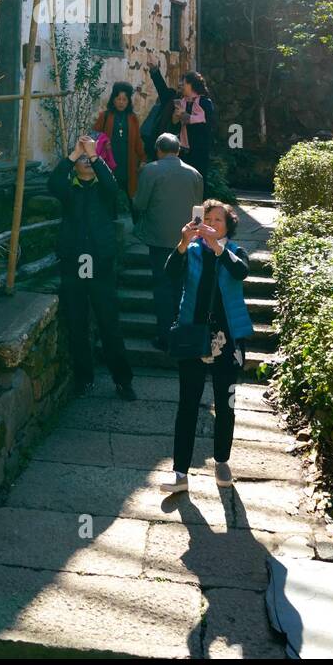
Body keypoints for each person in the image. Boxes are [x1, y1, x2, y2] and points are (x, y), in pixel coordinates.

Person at [159, 199, 252, 492]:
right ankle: (180, 472)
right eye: (206, 218)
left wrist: (218, 248)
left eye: (218, 220)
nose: (211, 223)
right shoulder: (192, 250)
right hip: (192, 336)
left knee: (225, 404)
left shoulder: (234, 252)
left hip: (227, 339)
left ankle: (222, 461)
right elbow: (170, 273)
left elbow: (241, 272)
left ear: (228, 226)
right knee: (187, 404)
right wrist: (184, 242)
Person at [47, 134, 136, 401]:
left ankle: (123, 380)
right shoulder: (68, 189)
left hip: (100, 262)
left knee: (109, 323)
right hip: (73, 261)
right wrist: (73, 154)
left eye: (90, 158)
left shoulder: (104, 189)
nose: (86, 161)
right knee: (76, 323)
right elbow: (52, 183)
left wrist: (95, 155)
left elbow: (112, 184)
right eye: (82, 159)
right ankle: (84, 378)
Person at [131, 132, 204, 350]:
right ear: (179, 150)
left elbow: (140, 204)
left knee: (162, 287)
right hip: (187, 239)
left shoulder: (151, 170)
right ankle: (182, 334)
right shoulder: (195, 174)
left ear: (158, 150)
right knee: (182, 287)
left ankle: (164, 336)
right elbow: (198, 210)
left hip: (159, 237)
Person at [146, 61, 214, 191]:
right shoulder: (178, 101)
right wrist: (175, 118)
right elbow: (162, 89)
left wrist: (187, 117)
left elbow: (207, 125)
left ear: (193, 85)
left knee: (198, 185)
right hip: (181, 151)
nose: (181, 85)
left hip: (199, 152)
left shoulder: (204, 103)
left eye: (184, 83)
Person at [93, 82, 146, 204]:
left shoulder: (132, 118)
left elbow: (137, 140)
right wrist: (102, 143)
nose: (121, 102)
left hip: (127, 162)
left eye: (124, 99)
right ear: (113, 100)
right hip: (110, 161)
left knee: (132, 196)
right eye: (118, 99)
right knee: (109, 195)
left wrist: (143, 158)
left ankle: (136, 222)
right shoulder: (105, 116)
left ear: (128, 101)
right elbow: (95, 136)